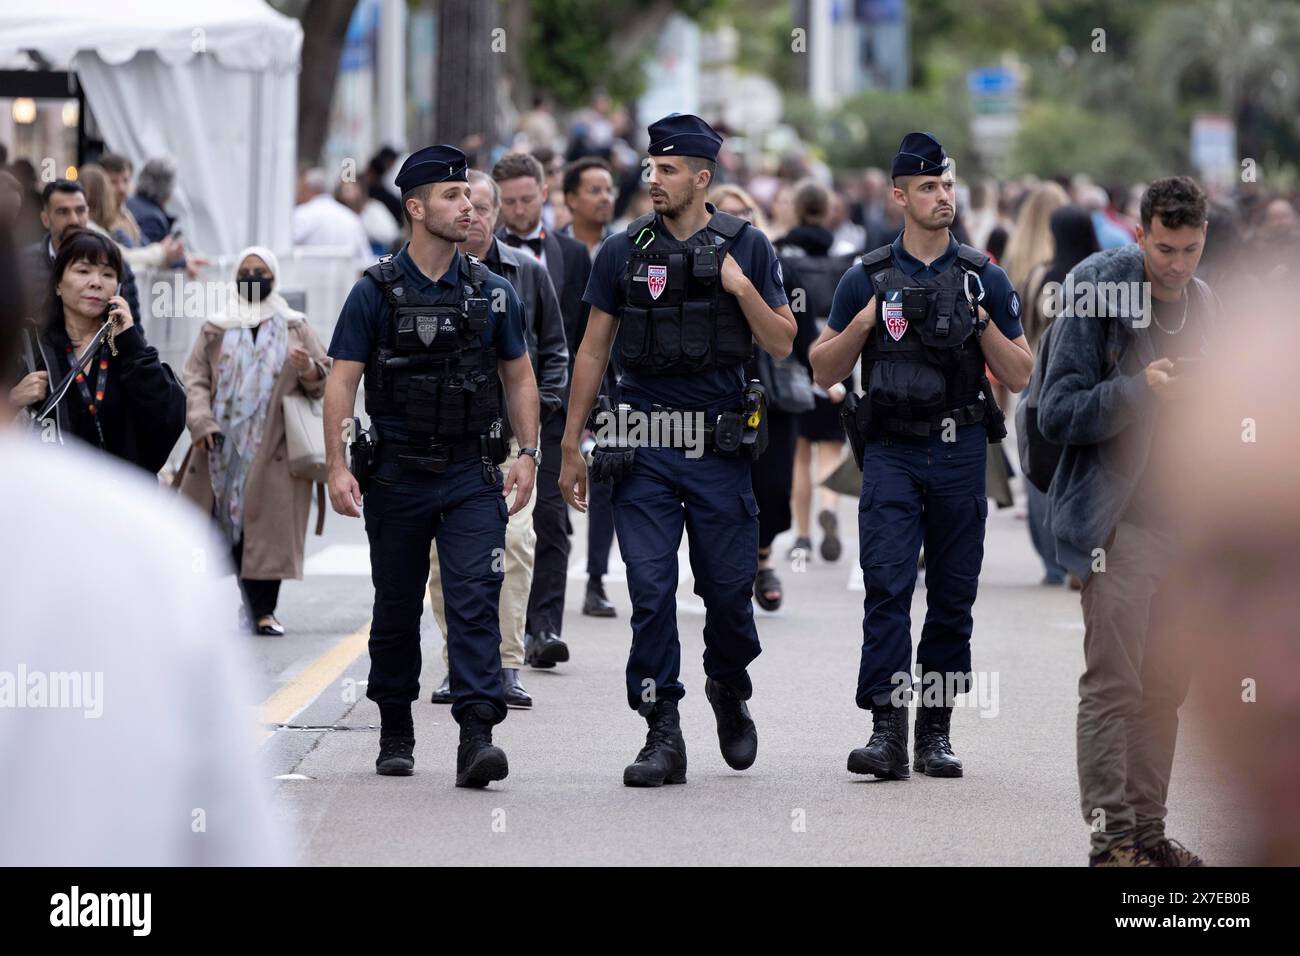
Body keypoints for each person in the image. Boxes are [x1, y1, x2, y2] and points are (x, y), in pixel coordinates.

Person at [559, 114, 797, 787]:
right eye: (650, 167)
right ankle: (662, 728)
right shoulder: (622, 250)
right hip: (642, 444)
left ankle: (728, 682)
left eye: (667, 170)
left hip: (719, 446)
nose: (653, 179)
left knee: (726, 593)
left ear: (701, 176)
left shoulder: (747, 245)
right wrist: (572, 444)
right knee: (651, 587)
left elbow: (781, 341)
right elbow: (593, 349)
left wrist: (740, 287)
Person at [810, 131, 1032, 781]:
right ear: (899, 197)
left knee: (954, 594)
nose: (943, 197)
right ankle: (887, 730)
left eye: (948, 186)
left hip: (961, 448)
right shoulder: (867, 274)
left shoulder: (982, 274)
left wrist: (981, 319)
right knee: (887, 585)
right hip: (891, 452)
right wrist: (863, 323)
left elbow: (1020, 374)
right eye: (929, 187)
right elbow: (822, 367)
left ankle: (935, 731)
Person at [323, 145, 539, 788]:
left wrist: (528, 454)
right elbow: (342, 382)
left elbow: (520, 377)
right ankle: (395, 724)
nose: (467, 205)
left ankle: (477, 735)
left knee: (474, 597)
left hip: (471, 474)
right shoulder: (375, 292)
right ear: (415, 208)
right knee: (395, 605)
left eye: (468, 196)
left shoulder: (494, 293)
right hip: (394, 473)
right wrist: (337, 464)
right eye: (451, 196)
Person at [1039, 176, 1217, 867]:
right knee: (1116, 684)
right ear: (1139, 233)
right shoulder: (1097, 291)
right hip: (1119, 523)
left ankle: (1147, 831)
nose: (1177, 265)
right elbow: (1058, 411)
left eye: (1191, 249)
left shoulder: (1205, 302)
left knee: (1166, 689)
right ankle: (1111, 840)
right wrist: (1143, 391)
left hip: (1185, 526)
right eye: (1165, 248)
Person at [427, 169, 569, 709]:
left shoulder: (526, 273)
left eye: (484, 206)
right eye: (466, 203)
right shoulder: (421, 275)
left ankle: (508, 663)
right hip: (445, 440)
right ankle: (458, 664)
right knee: (446, 559)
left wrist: (539, 414)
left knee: (512, 546)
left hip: (509, 439)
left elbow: (555, 351)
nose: (476, 214)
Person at [178, 246, 331, 637]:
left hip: (273, 447)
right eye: (245, 271)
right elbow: (195, 378)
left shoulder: (294, 324)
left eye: (260, 271)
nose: (252, 278)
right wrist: (201, 420)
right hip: (219, 448)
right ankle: (230, 606)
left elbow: (326, 380)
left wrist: (309, 369)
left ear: (274, 277)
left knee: (266, 532)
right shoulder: (216, 325)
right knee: (220, 528)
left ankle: (263, 610)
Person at [491, 151, 593, 668]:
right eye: (507, 201)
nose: (517, 209)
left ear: (544, 195)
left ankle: (544, 627)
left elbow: (581, 338)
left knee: (550, 518)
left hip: (552, 409)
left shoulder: (573, 255)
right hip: (490, 413)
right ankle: (496, 632)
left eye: (527, 199)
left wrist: (576, 406)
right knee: (500, 527)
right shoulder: (477, 255)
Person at [711, 183, 820, 612]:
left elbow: (803, 331)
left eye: (746, 214)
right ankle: (740, 568)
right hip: (718, 399)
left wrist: (822, 375)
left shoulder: (778, 266)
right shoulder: (699, 266)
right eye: (728, 214)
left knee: (774, 488)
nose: (738, 222)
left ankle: (761, 556)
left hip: (773, 398)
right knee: (723, 491)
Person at [12, 228, 184, 472]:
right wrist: (14, 399)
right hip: (49, 494)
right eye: (83, 271)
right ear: (58, 284)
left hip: (118, 496)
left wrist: (132, 342)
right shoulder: (31, 345)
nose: (96, 282)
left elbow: (168, 415)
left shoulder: (126, 348)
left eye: (108, 274)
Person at [1020, 205, 1099, 586]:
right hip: (1088, 387)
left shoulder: (1040, 277)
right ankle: (1083, 556)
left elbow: (1026, 330)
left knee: (1040, 474)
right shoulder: (1102, 277)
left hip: (1038, 385)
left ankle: (1054, 562)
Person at [777, 179, 854, 566]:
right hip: (837, 354)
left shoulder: (780, 254)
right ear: (828, 211)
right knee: (831, 448)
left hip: (793, 359)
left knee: (799, 455)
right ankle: (830, 505)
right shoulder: (846, 257)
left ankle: (803, 534)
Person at [559, 156, 620, 617]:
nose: (605, 197)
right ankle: (552, 570)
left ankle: (596, 578)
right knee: (555, 472)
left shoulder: (627, 247)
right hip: (558, 378)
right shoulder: (555, 251)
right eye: (595, 190)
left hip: (612, 380)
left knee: (606, 475)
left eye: (609, 189)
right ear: (570, 199)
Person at [21, 180, 142, 325]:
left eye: (80, 210)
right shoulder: (23, 266)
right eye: (63, 212)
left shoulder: (117, 265)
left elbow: (134, 333)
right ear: (45, 219)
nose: (74, 220)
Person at [292, 168, 373, 262]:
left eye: (299, 190)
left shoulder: (301, 214)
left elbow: (281, 250)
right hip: (346, 276)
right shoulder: (352, 219)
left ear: (307, 189)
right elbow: (365, 260)